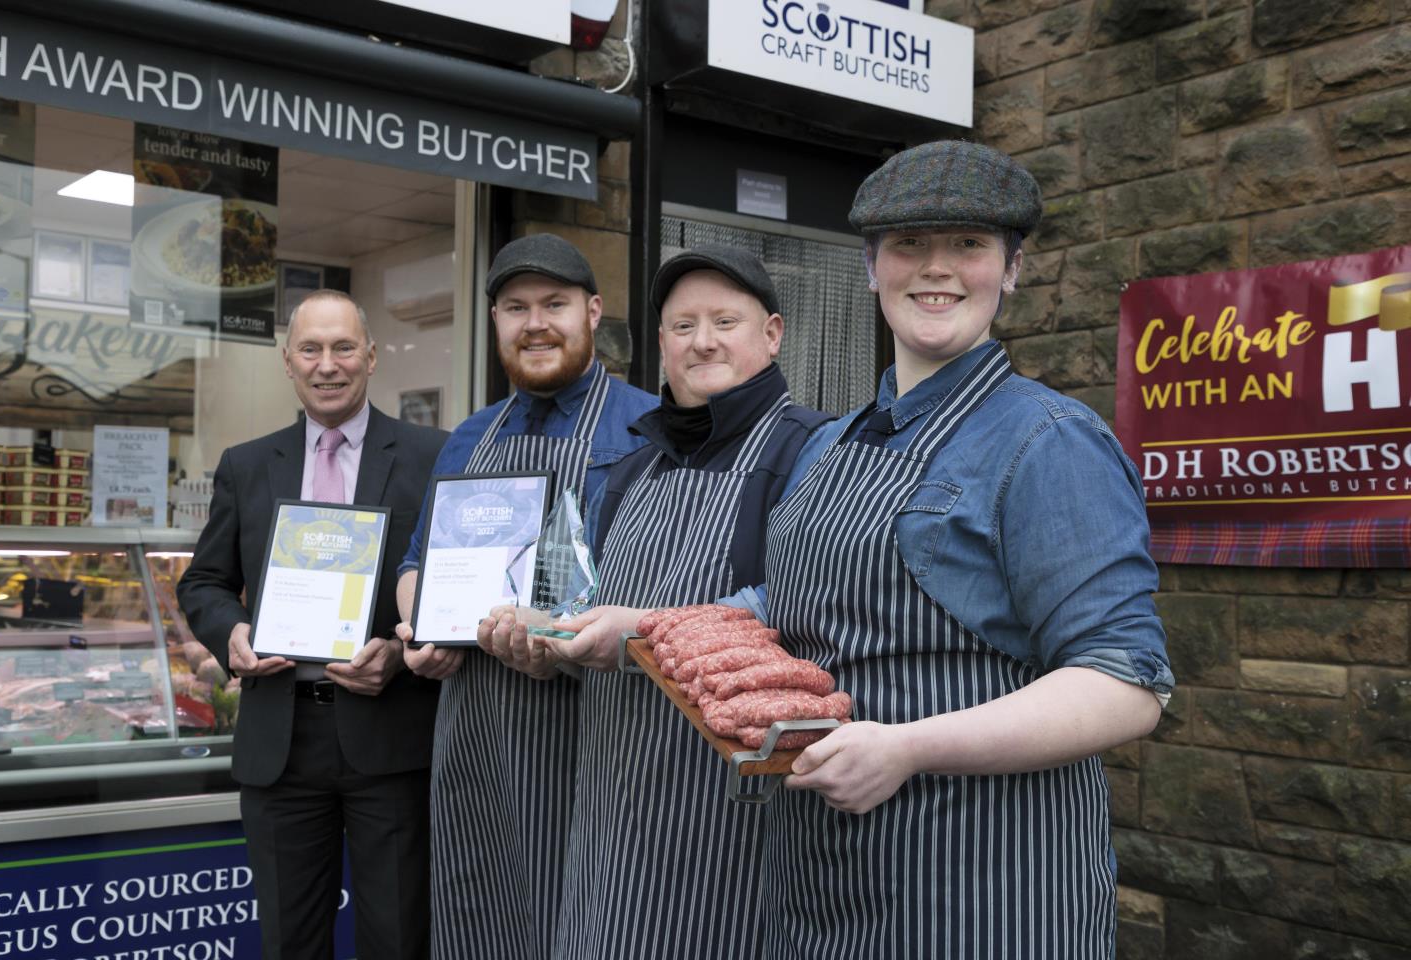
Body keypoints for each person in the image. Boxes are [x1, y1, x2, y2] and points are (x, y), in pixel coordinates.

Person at [739, 140, 1175, 959]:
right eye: (909, 245)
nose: (935, 269)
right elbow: (801, 610)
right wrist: (653, 627)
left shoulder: (1049, 441)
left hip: (983, 894)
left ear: (1010, 269)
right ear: (871, 266)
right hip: (819, 883)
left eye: (968, 245)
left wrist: (908, 747)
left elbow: (1125, 685)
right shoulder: (829, 444)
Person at [479, 244, 831, 959]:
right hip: (611, 800)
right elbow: (572, 598)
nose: (702, 342)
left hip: (728, 810)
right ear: (661, 345)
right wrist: (540, 635)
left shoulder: (814, 449)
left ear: (772, 334)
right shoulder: (631, 465)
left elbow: (801, 602)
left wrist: (641, 629)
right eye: (681, 326)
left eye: (724, 321)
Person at [393, 233, 658, 960]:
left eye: (554, 304)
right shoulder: (470, 436)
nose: (534, 322)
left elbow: (668, 570)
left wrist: (566, 642)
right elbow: (419, 560)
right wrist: (420, 626)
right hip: (477, 715)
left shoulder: (649, 424)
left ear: (593, 312)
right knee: (479, 903)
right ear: (496, 321)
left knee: (584, 911)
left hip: (594, 713)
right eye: (515, 307)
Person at [177, 290, 447, 960]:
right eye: (311, 349)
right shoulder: (246, 464)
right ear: (288, 363)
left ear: (372, 357)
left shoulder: (431, 454)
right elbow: (203, 582)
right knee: (290, 942)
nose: (329, 365)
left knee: (398, 939)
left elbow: (448, 584)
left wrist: (399, 648)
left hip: (391, 737)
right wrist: (233, 634)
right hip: (280, 742)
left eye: (344, 347)